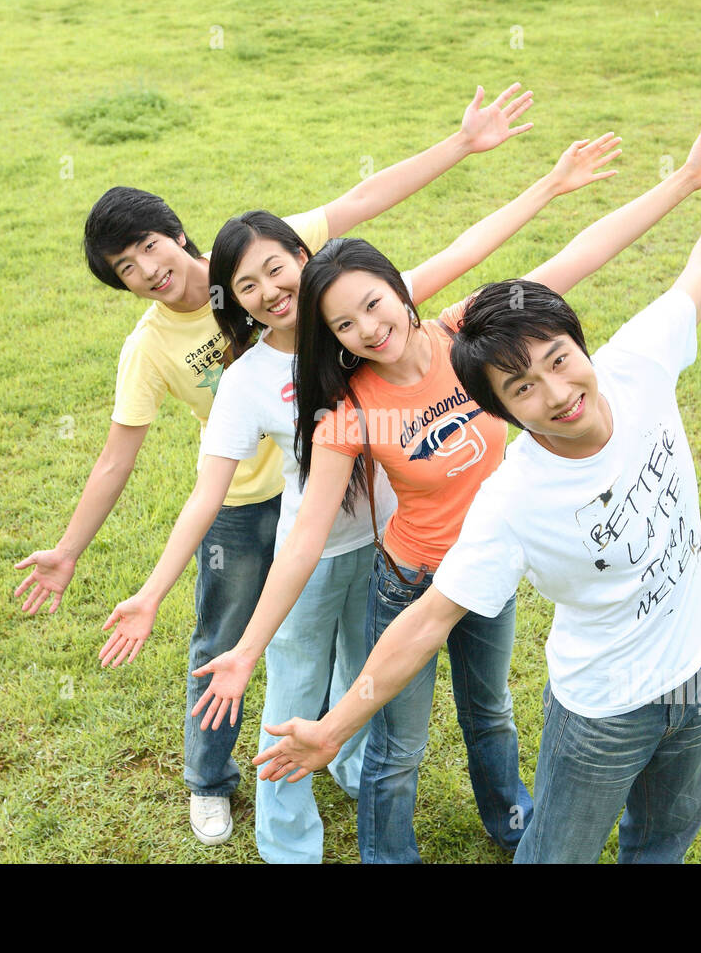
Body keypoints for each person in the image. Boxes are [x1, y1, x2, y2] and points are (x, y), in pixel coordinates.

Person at [194, 111, 701, 862]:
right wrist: (245, 647)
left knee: (492, 711)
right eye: (344, 326)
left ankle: (512, 824)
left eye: (373, 304)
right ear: (332, 340)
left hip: (488, 568)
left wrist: (684, 180)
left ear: (399, 293)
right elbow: (304, 538)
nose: (368, 330)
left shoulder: (466, 340)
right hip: (410, 585)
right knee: (398, 751)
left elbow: (576, 256)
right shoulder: (345, 410)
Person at [11, 84, 538, 845]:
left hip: (382, 534)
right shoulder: (230, 366)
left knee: (363, 672)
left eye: (149, 247)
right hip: (283, 526)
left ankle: (348, 763)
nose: (147, 268)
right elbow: (149, 474)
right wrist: (139, 583)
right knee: (246, 656)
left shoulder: (339, 316)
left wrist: (465, 148)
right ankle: (241, 804)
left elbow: (401, 223)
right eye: (126, 267)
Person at [96, 133, 623, 862]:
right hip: (318, 561)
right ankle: (286, 841)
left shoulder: (369, 324)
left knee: (369, 689)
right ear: (233, 299)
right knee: (299, 690)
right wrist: (159, 596)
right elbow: (211, 498)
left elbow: (474, 250)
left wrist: (547, 186)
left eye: (277, 271)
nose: (268, 293)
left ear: (305, 263)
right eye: (247, 288)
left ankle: (378, 778)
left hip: (394, 542)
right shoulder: (253, 378)